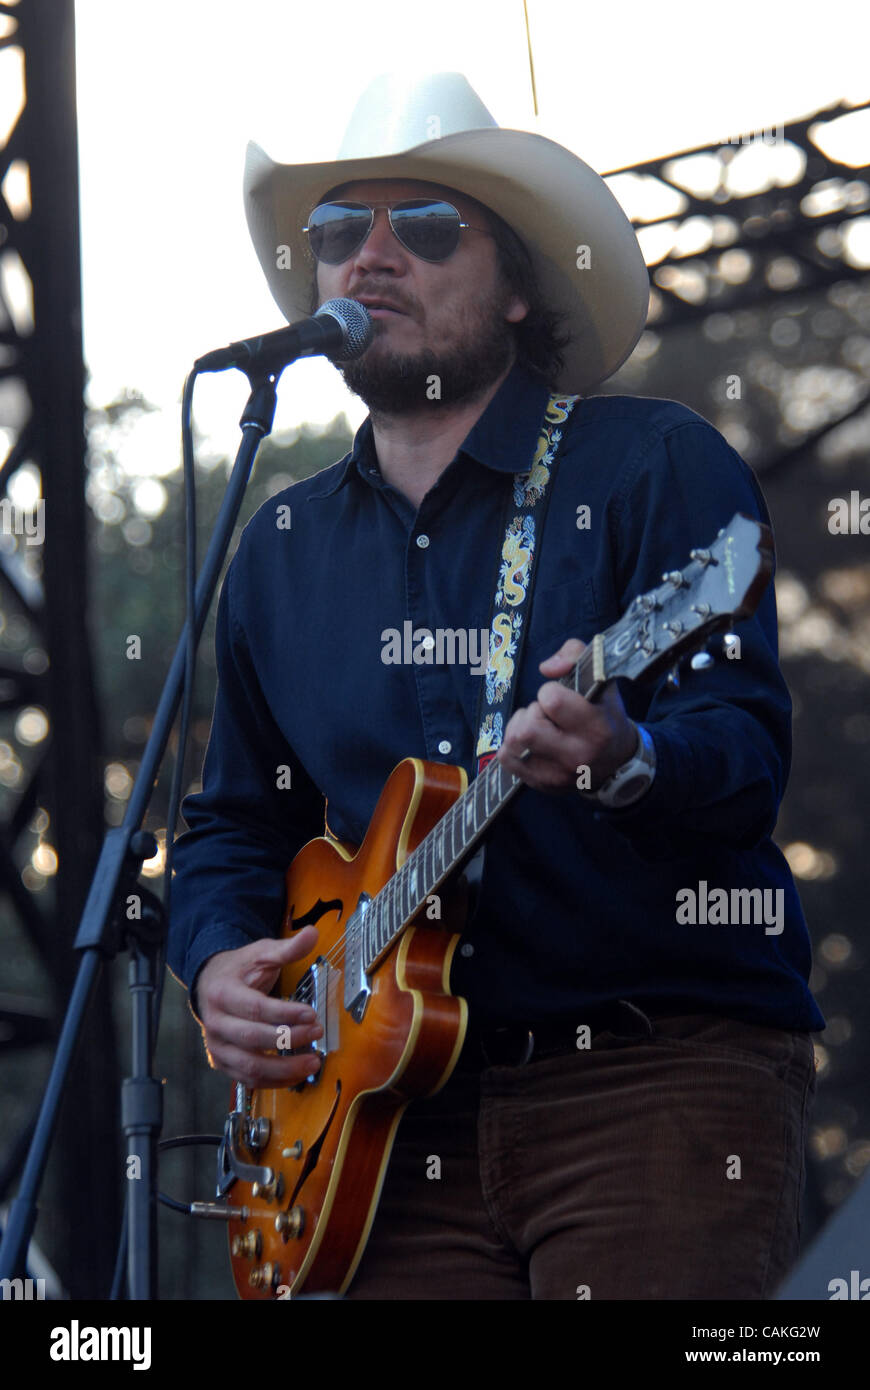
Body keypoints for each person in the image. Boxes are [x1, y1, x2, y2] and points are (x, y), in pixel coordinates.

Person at [168, 72, 823, 1300]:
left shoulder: (652, 465)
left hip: (648, 1072)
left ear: (519, 286)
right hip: (376, 1127)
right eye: (336, 234)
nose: (369, 258)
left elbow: (740, 752)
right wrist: (213, 962)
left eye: (420, 228)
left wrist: (626, 758)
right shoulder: (281, 545)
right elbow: (232, 826)